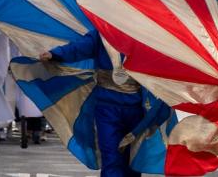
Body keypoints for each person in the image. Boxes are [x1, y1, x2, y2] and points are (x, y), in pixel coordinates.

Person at [40, 29, 144, 177]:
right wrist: (56, 53)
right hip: (107, 108)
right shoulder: (101, 32)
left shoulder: (144, 31)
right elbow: (80, 47)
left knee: (134, 160)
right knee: (110, 156)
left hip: (138, 109)